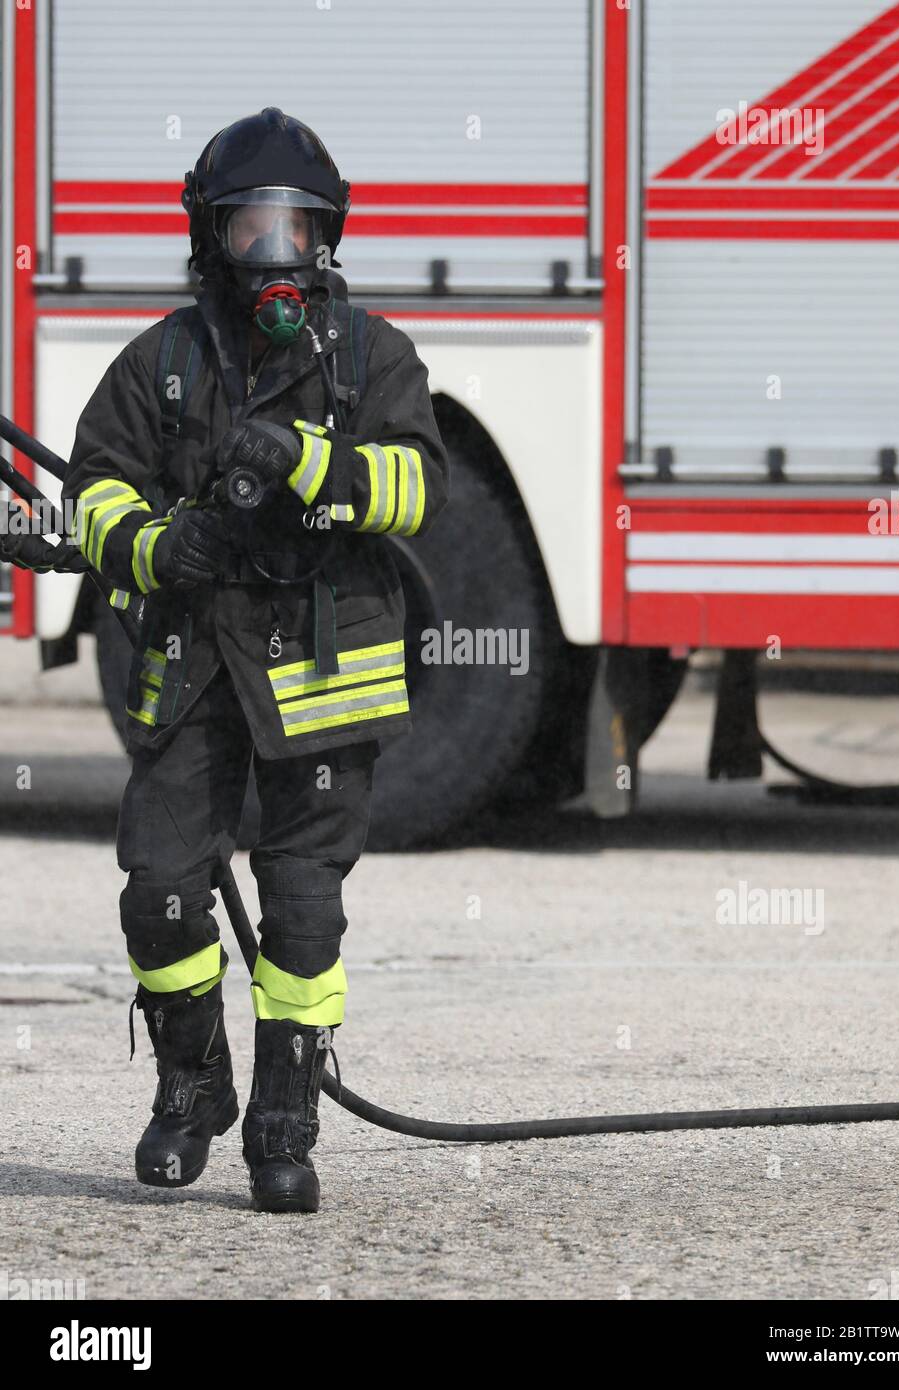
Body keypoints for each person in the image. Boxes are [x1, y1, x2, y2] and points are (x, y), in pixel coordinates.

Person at [62, 108, 449, 1213]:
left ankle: (286, 1125)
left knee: (303, 910)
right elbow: (95, 487)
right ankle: (192, 1093)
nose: (273, 251)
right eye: (251, 228)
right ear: (212, 237)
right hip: (192, 663)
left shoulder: (373, 356)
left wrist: (314, 462)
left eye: (295, 226)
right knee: (162, 895)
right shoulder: (163, 363)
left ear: (326, 238)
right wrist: (149, 542)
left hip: (319, 667)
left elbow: (420, 486)